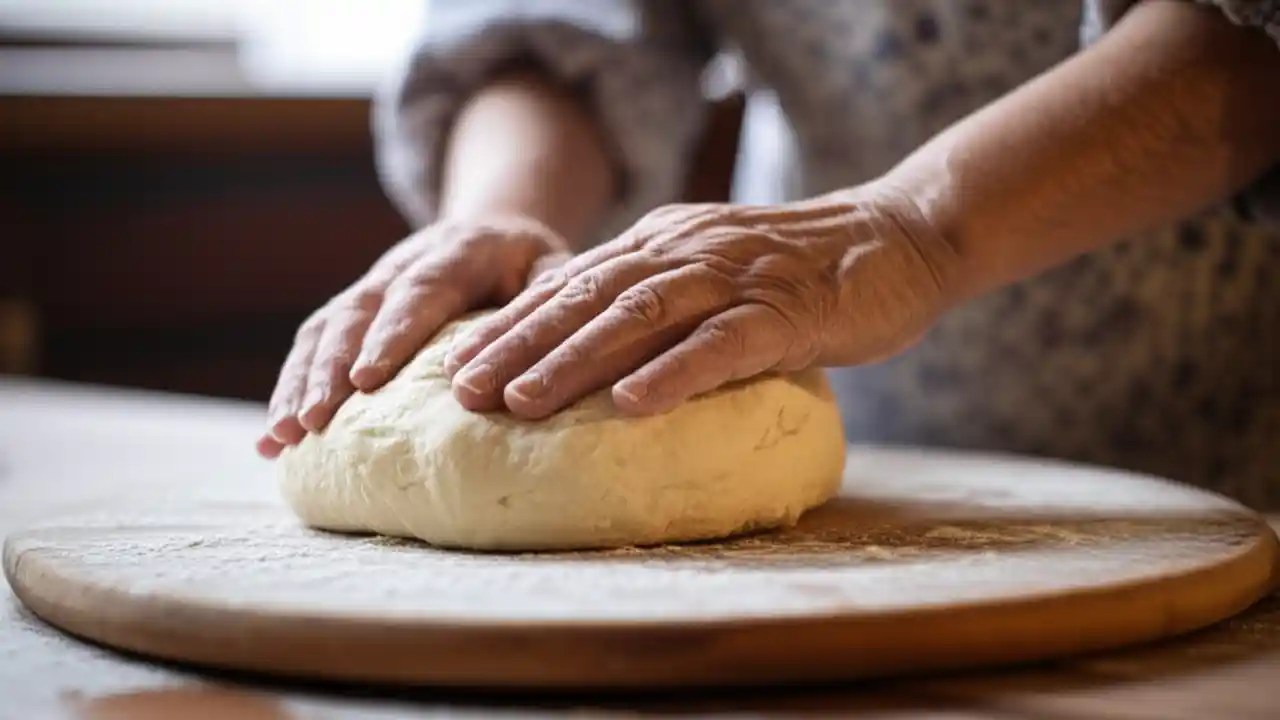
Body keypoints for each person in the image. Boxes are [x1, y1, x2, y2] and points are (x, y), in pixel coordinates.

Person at [256, 1, 1280, 509]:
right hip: (853, 451)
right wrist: (498, 213)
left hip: (1242, 457)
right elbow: (559, 18)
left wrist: (914, 227)